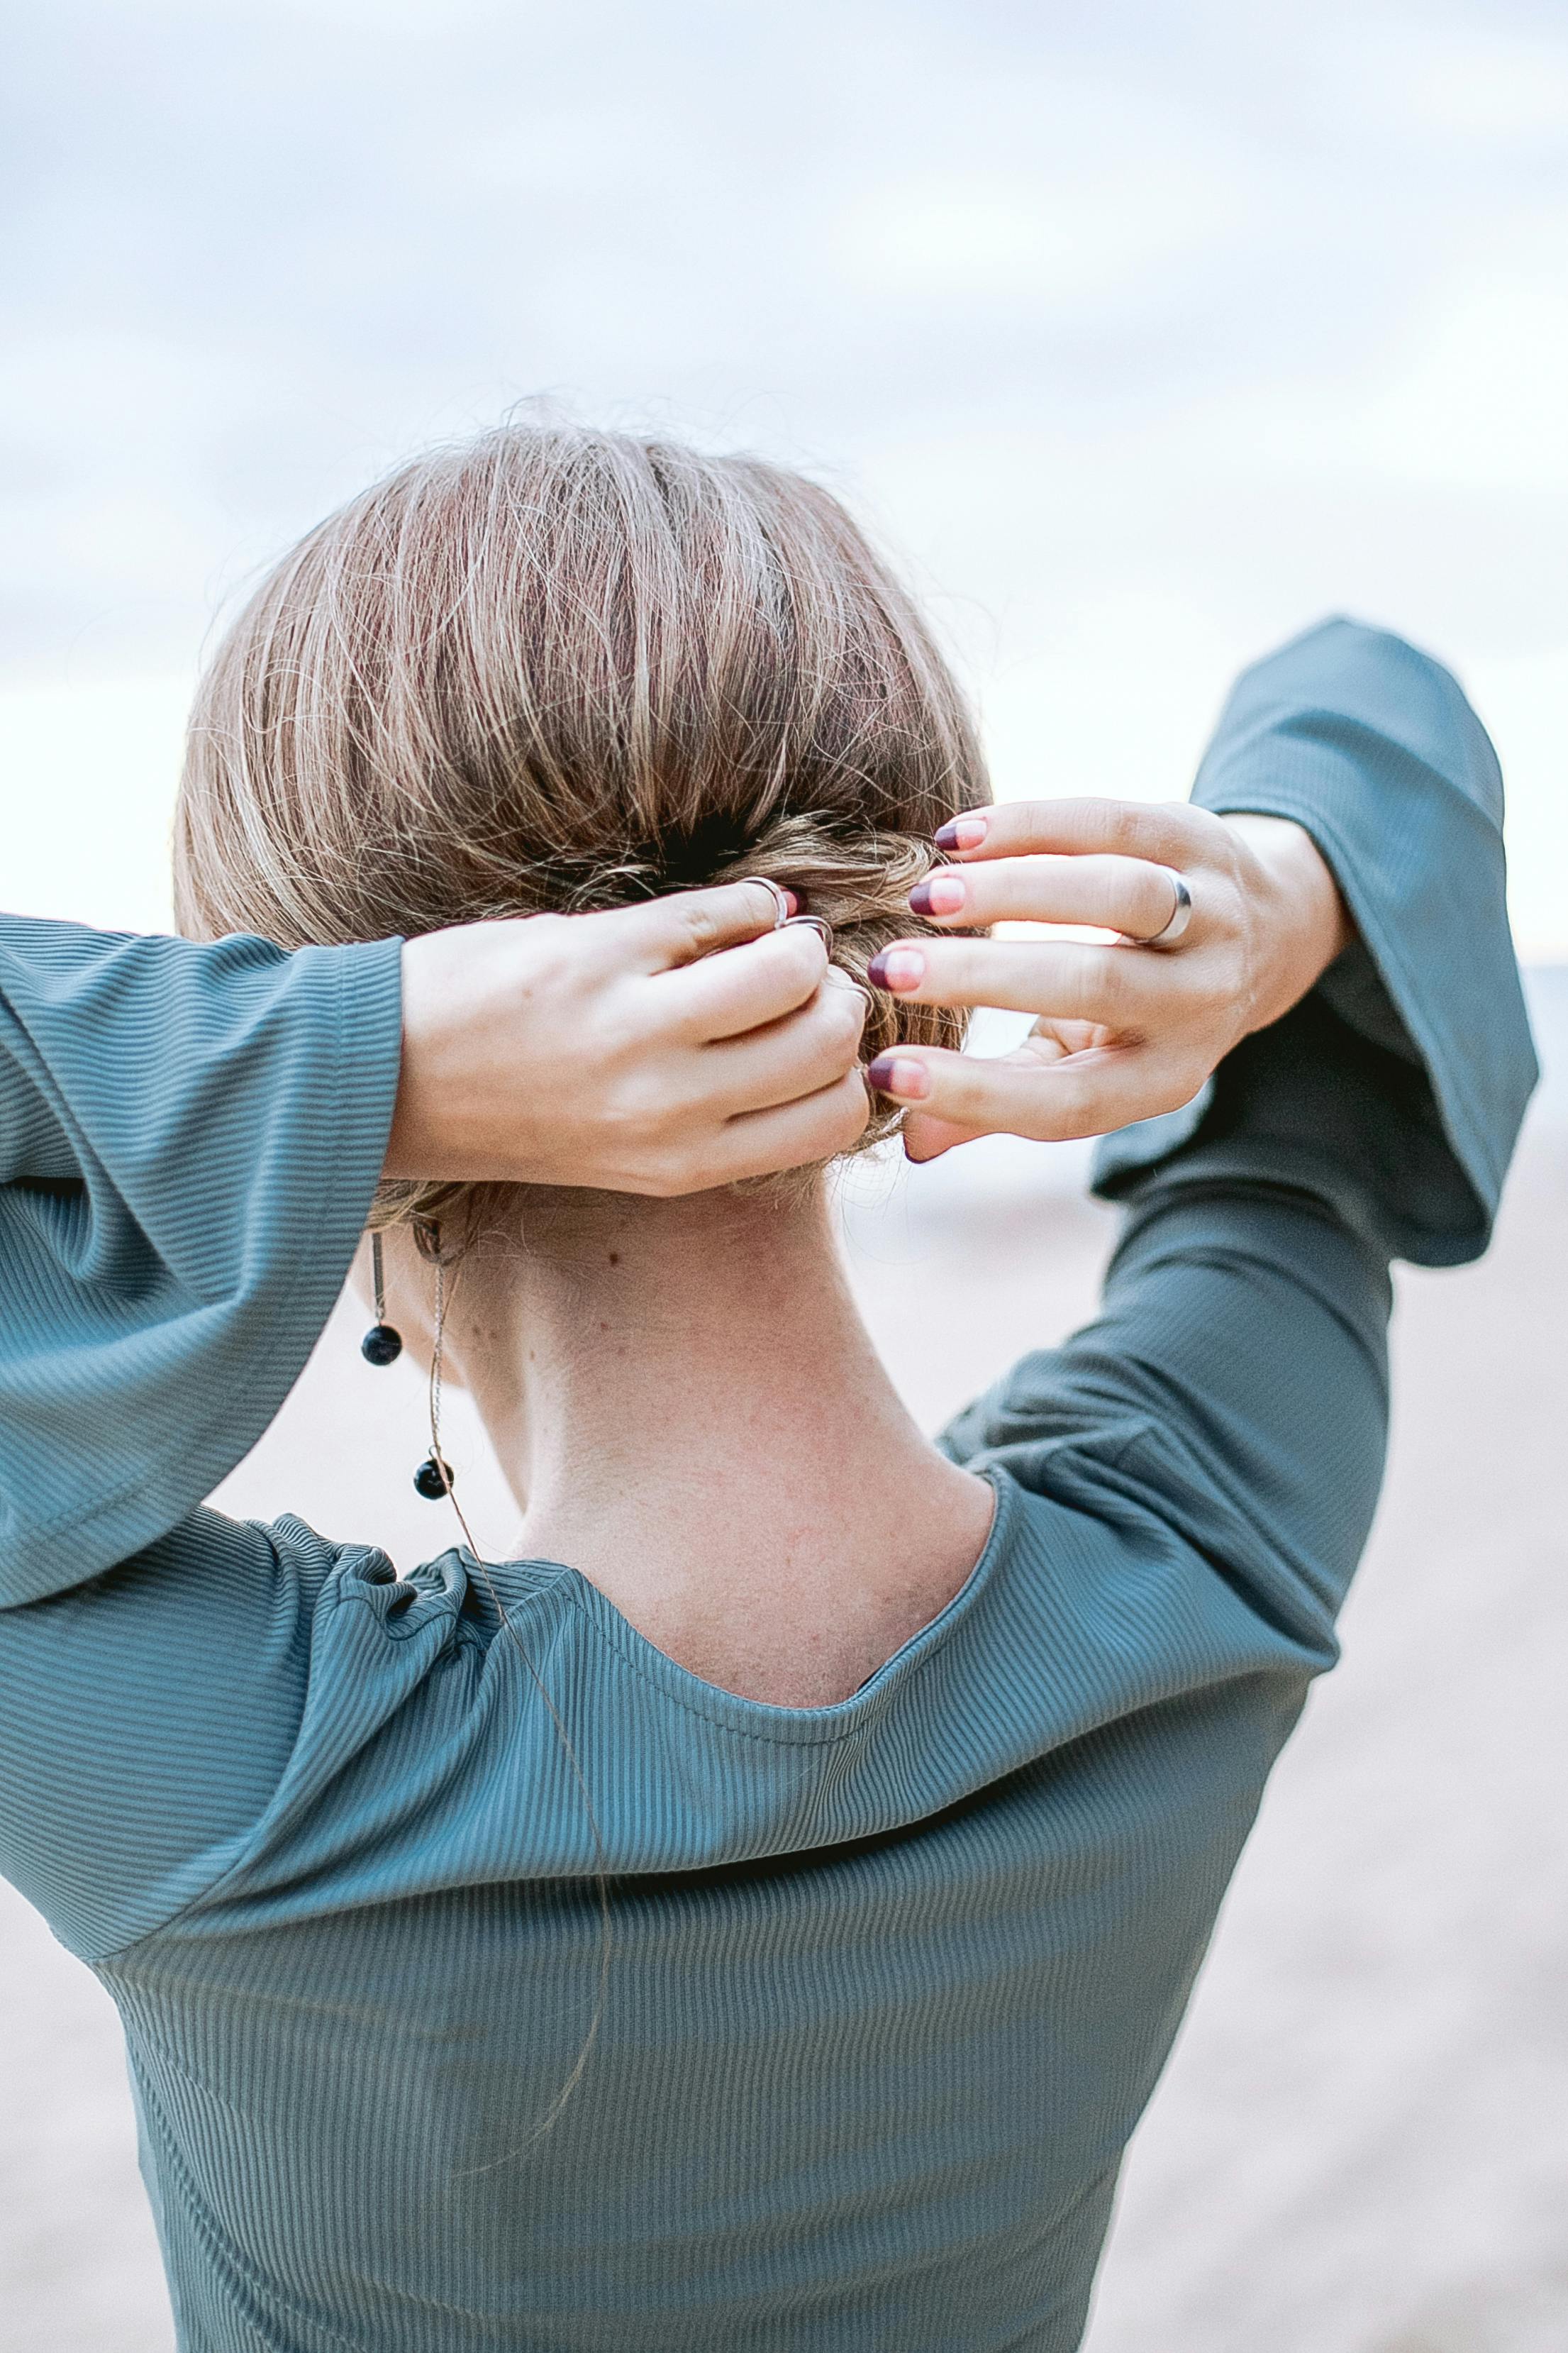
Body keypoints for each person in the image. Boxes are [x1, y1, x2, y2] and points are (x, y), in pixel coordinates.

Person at [0, 424, 1535, 2353]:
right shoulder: (1208, 1549)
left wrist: (346, 1064)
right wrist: (1287, 905)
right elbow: (1370, 695)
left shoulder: (236, 1788)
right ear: (919, 945)